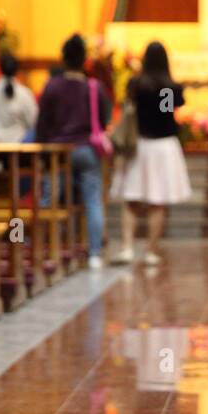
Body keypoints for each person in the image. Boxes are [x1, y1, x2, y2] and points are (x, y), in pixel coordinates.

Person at [110, 40, 192, 266]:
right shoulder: (170, 87)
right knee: (157, 201)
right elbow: (167, 112)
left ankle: (127, 247)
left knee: (131, 199)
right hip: (164, 147)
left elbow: (131, 108)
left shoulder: (136, 84)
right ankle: (150, 250)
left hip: (140, 146)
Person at [34, 34, 107, 270]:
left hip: (58, 151)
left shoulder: (53, 86)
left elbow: (42, 123)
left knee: (49, 200)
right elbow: (103, 120)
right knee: (92, 200)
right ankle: (94, 253)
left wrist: (42, 152)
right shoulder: (94, 87)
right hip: (86, 149)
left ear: (63, 58)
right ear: (84, 59)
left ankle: (45, 251)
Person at [0, 53, 38, 144]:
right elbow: (33, 121)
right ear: (17, 70)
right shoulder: (24, 93)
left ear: (0, 68)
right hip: (17, 145)